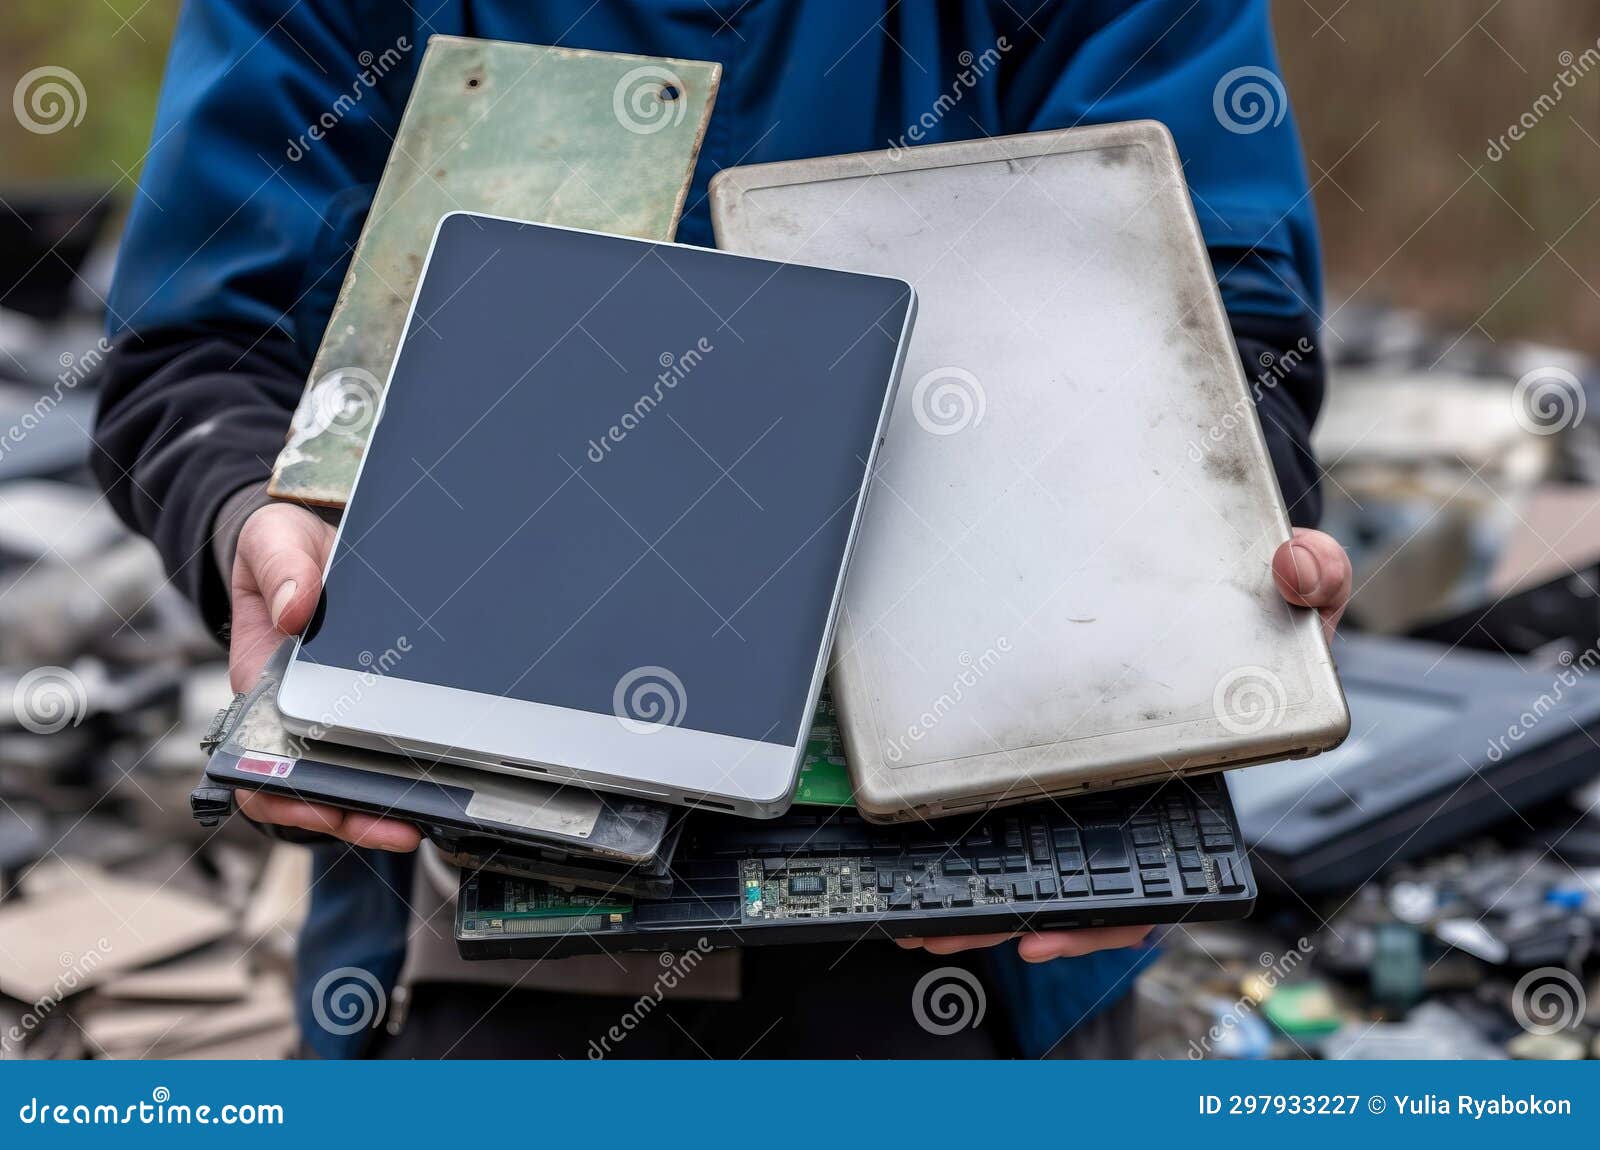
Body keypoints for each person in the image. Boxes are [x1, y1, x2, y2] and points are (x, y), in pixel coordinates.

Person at [93, 0, 1351, 1059]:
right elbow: (201, 342)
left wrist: (1208, 548)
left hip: (984, 937)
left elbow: (1223, 329)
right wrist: (246, 516)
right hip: (471, 927)